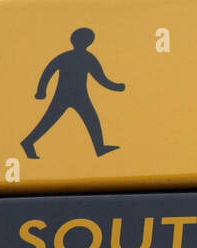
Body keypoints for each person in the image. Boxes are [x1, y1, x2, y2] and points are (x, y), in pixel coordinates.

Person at [20, 27, 126, 159]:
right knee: (49, 121)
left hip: (77, 95)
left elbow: (100, 78)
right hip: (67, 95)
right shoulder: (83, 57)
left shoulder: (73, 57)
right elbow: (49, 72)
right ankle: (28, 142)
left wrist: (116, 87)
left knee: (91, 119)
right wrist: (41, 91)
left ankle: (100, 147)